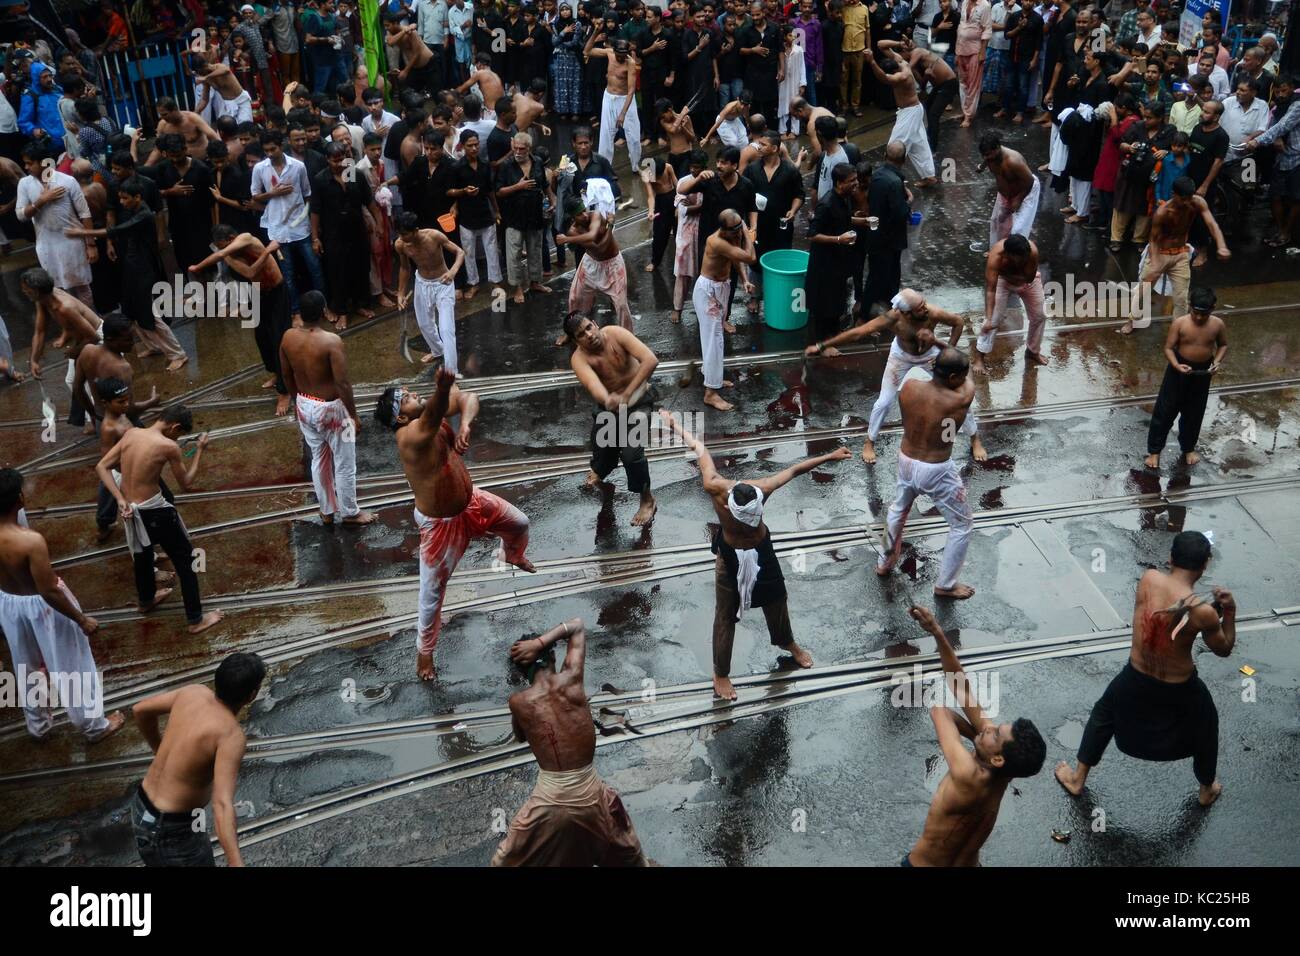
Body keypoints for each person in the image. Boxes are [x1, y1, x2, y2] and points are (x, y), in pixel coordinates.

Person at [659, 410, 837, 699]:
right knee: (725, 615)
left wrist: (830, 457)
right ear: (729, 507)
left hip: (761, 551)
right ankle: (721, 673)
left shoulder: (762, 488)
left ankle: (786, 642)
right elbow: (698, 447)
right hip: (729, 556)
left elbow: (795, 469)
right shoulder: (714, 486)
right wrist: (674, 424)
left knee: (776, 597)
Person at [376, 368, 535, 680]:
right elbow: (437, 410)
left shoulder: (427, 417)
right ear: (401, 419)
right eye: (407, 399)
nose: (414, 396)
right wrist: (443, 387)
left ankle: (512, 554)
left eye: (411, 393)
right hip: (441, 526)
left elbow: (468, 397)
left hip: (471, 502)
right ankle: (424, 655)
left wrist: (464, 424)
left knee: (520, 524)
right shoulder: (410, 437)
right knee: (431, 594)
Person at [1055, 531, 1235, 807]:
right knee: (1206, 725)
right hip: (1179, 685)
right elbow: (1223, 649)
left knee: (1103, 714)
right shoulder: (1204, 612)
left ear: (1170, 557)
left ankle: (1077, 778)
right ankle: (1206, 788)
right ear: (1205, 564)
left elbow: (1169, 619)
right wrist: (1229, 612)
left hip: (1136, 675)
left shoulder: (1149, 580)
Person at [902, 604, 1047, 865]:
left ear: (998, 758)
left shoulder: (967, 773)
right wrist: (936, 631)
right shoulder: (1006, 769)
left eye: (995, 734)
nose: (989, 727)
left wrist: (973, 737)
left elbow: (939, 710)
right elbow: (961, 688)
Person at [495, 618, 647, 866]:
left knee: (505, 860)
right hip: (592, 794)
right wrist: (540, 642)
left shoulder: (518, 702)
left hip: (549, 801)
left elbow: (522, 737)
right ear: (553, 658)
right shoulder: (573, 679)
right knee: (630, 855)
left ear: (522, 671)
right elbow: (577, 625)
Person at [0, 467, 124, 743]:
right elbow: (48, 591)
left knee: (27, 665)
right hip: (43, 607)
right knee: (71, 666)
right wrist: (81, 619)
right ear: (19, 499)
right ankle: (94, 726)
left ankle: (39, 726)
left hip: (7, 603)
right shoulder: (31, 541)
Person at [807, 288, 985, 464]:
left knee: (958, 397)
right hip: (900, 356)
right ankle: (869, 441)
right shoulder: (893, 318)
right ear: (906, 313)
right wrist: (822, 345)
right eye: (920, 308)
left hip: (930, 355)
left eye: (924, 304)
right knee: (883, 402)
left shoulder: (932, 313)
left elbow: (958, 322)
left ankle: (974, 438)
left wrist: (944, 355)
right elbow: (857, 333)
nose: (925, 309)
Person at [95, 405, 224, 633]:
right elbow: (187, 483)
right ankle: (195, 619)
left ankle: (146, 600)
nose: (178, 437)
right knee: (186, 560)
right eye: (179, 433)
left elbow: (102, 466)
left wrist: (120, 499)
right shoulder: (168, 446)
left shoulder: (131, 433)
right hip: (156, 512)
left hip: (131, 510)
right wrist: (200, 450)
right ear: (174, 427)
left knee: (143, 556)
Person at [131, 652, 266, 866]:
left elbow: (140, 711)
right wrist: (235, 862)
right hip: (172, 829)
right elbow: (221, 804)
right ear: (252, 695)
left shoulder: (193, 692)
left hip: (142, 807)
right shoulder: (229, 735)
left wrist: (158, 748)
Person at [875, 347, 978, 599]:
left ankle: (884, 563)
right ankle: (945, 584)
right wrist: (961, 372)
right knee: (962, 525)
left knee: (898, 511)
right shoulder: (959, 399)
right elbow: (968, 387)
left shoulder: (910, 386)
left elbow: (942, 380)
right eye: (962, 375)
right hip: (936, 468)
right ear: (954, 378)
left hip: (906, 459)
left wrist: (938, 366)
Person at [279, 290, 375, 526]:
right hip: (333, 410)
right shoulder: (331, 341)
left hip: (304, 404)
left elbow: (286, 374)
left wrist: (296, 401)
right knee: (345, 462)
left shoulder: (288, 337)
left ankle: (326, 511)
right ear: (324, 311)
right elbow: (342, 383)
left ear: (300, 313)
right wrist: (353, 415)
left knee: (319, 459)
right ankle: (350, 512)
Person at [188, 227, 294, 415]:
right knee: (262, 338)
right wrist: (268, 251)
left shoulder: (246, 238)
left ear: (232, 238)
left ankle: (284, 391)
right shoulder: (230, 256)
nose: (224, 252)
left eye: (225, 247)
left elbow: (224, 253)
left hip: (277, 293)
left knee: (279, 338)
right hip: (258, 295)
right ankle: (276, 373)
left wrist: (199, 266)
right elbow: (251, 272)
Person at [565, 312, 658, 526]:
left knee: (632, 454)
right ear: (576, 341)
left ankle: (647, 500)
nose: (589, 334)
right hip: (610, 405)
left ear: (595, 324)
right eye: (581, 334)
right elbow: (595, 389)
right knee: (603, 451)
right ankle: (599, 470)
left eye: (589, 327)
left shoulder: (615, 333)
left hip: (638, 400)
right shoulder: (579, 359)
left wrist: (626, 395)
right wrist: (610, 400)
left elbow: (650, 360)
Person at [1120, 176, 1229, 333]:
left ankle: (1177, 330)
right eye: (1183, 199)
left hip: (1180, 254)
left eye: (1189, 198)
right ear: (1174, 194)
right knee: (1143, 289)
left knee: (1181, 298)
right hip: (1159, 252)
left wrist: (1222, 245)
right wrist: (1156, 265)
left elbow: (1212, 224)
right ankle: (1131, 320)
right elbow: (1154, 240)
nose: (1187, 203)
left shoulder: (1196, 202)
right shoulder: (1163, 213)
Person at [1144, 286, 1227, 469]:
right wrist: (1176, 365)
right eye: (1195, 312)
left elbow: (1222, 345)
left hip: (1202, 373)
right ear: (1190, 306)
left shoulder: (1217, 324)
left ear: (1213, 308)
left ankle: (1188, 447)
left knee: (1194, 413)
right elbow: (1168, 348)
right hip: (1178, 370)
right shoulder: (1180, 323)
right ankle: (1155, 451)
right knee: (1165, 411)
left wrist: (1217, 362)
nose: (1198, 317)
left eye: (1203, 314)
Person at [16, 143, 96, 309]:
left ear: (43, 162)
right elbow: (21, 215)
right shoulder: (25, 184)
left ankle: (91, 324)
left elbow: (85, 214)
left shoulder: (67, 181)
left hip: (72, 243)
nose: (26, 167)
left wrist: (91, 245)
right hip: (45, 246)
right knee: (55, 290)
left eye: (30, 163)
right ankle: (72, 326)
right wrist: (42, 200)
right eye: (26, 163)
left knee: (82, 287)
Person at [19, 266, 102, 426]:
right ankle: (94, 419)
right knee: (72, 381)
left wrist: (74, 351)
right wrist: (34, 360)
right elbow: (40, 331)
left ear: (36, 291)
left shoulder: (65, 307)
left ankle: (102, 418)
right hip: (82, 342)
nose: (23, 291)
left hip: (97, 339)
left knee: (92, 383)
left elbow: (94, 336)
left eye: (26, 288)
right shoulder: (42, 300)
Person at [694, 210, 757, 411]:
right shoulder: (716, 241)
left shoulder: (730, 238)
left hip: (720, 289)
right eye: (737, 229)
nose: (740, 232)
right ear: (726, 230)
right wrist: (747, 231)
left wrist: (745, 280)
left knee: (715, 336)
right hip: (708, 292)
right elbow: (749, 257)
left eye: (741, 227)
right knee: (714, 339)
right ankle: (710, 393)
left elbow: (735, 259)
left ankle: (713, 377)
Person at [395, 211, 466, 372]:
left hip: (443, 283)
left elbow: (460, 252)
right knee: (425, 325)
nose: (402, 238)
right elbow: (404, 268)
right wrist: (400, 293)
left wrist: (453, 271)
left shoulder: (434, 236)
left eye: (405, 234)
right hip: (421, 283)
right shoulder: (400, 244)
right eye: (399, 234)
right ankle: (437, 350)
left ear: (415, 230)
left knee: (446, 329)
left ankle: (450, 373)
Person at [558, 204, 635, 340]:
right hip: (590, 264)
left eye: (584, 210)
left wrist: (567, 240)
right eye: (579, 214)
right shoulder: (573, 230)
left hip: (613, 264)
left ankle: (628, 337)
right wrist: (609, 227)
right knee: (574, 298)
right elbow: (598, 249)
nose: (585, 215)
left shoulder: (596, 215)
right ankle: (571, 333)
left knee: (621, 304)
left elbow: (598, 241)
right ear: (572, 218)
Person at [974, 234, 1047, 373]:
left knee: (1040, 315)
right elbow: (990, 290)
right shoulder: (996, 257)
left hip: (1026, 281)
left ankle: (1033, 351)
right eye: (1017, 259)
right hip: (1002, 281)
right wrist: (989, 318)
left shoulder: (1032, 251)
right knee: (993, 320)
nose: (1021, 261)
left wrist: (1017, 271)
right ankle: (979, 357)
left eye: (1024, 258)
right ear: (1007, 255)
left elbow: (1029, 278)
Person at [865, 46, 937, 186]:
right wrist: (898, 42)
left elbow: (884, 78)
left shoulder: (902, 76)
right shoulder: (901, 62)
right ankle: (929, 176)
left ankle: (892, 178)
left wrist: (872, 62)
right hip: (911, 110)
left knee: (895, 145)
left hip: (910, 112)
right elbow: (881, 44)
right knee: (918, 144)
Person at [497, 132, 552, 305]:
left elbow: (545, 185)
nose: (518, 152)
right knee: (514, 254)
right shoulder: (506, 166)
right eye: (516, 148)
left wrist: (552, 200)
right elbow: (499, 191)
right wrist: (517, 186)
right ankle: (518, 287)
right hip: (514, 216)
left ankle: (535, 282)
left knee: (535, 249)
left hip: (535, 214)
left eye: (522, 149)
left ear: (529, 149)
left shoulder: (537, 162)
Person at [805, 163, 858, 339]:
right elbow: (812, 235)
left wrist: (862, 221)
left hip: (839, 262)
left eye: (856, 179)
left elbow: (842, 219)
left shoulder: (846, 198)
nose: (856, 183)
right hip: (824, 264)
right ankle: (821, 342)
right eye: (852, 180)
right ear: (840, 183)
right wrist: (838, 239)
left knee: (837, 300)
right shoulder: (826, 204)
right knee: (824, 304)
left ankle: (834, 334)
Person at [585, 34, 642, 175]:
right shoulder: (609, 53)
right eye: (618, 54)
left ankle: (635, 165)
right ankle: (604, 167)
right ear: (614, 50)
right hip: (609, 97)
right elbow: (587, 51)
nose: (621, 58)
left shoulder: (630, 63)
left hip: (625, 100)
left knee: (634, 137)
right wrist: (595, 32)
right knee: (606, 135)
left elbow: (631, 90)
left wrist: (622, 113)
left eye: (624, 55)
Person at [979, 132, 1039, 248]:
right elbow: (986, 159)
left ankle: (1018, 255)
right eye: (984, 155)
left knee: (1018, 229)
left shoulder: (1014, 161)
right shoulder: (990, 156)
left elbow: (1029, 181)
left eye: (988, 154)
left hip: (1025, 192)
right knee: (997, 221)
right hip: (1005, 193)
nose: (986, 158)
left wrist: (1019, 199)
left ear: (997, 148)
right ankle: (996, 249)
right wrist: (981, 167)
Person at [955, 0, 992, 128]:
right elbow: (961, 26)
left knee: (973, 84)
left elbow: (987, 29)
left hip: (975, 50)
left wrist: (982, 51)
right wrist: (956, 50)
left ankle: (968, 115)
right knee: (962, 82)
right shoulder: (965, 2)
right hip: (961, 48)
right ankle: (965, 110)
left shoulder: (985, 5)